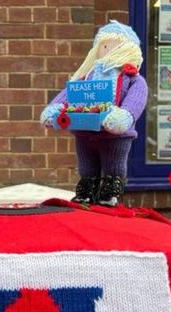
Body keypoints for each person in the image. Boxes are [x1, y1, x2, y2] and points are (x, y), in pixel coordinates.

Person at [40, 21, 148, 207]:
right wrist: (55, 110)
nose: (107, 50)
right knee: (87, 165)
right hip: (84, 130)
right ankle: (87, 189)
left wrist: (123, 116)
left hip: (115, 135)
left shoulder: (133, 79)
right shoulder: (86, 76)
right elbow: (70, 94)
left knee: (113, 164)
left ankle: (110, 191)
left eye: (114, 46)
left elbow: (135, 101)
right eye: (104, 46)